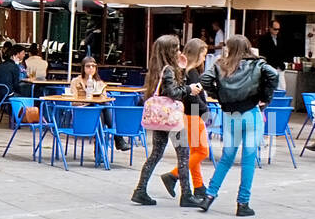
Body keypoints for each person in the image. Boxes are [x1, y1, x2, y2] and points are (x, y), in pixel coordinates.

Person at [196, 35, 279, 217]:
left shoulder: (220, 64)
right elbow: (274, 75)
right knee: (249, 159)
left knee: (226, 157)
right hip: (251, 113)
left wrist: (218, 95)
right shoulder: (257, 64)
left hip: (229, 114)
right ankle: (243, 203)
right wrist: (265, 96)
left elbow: (204, 80)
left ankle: (209, 195)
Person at [130, 36, 202, 208]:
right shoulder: (169, 69)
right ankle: (187, 195)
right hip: (172, 117)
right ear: (169, 50)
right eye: (176, 48)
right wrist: (189, 89)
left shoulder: (158, 69)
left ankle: (140, 190)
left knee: (156, 154)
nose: (179, 51)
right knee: (184, 154)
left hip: (160, 117)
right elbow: (172, 92)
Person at [163, 38, 211, 202]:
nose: (204, 59)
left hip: (188, 114)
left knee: (196, 152)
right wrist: (205, 110)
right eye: (203, 55)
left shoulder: (184, 70)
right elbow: (192, 97)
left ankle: (199, 187)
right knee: (203, 152)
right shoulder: (192, 73)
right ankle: (173, 175)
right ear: (196, 54)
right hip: (193, 113)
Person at [72, 57, 130, 153]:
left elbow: (105, 97)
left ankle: (100, 151)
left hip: (98, 110)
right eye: (88, 66)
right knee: (103, 109)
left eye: (93, 66)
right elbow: (73, 100)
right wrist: (86, 101)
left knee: (103, 109)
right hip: (83, 111)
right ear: (83, 68)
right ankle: (118, 139)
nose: (91, 68)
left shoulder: (100, 83)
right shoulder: (76, 81)